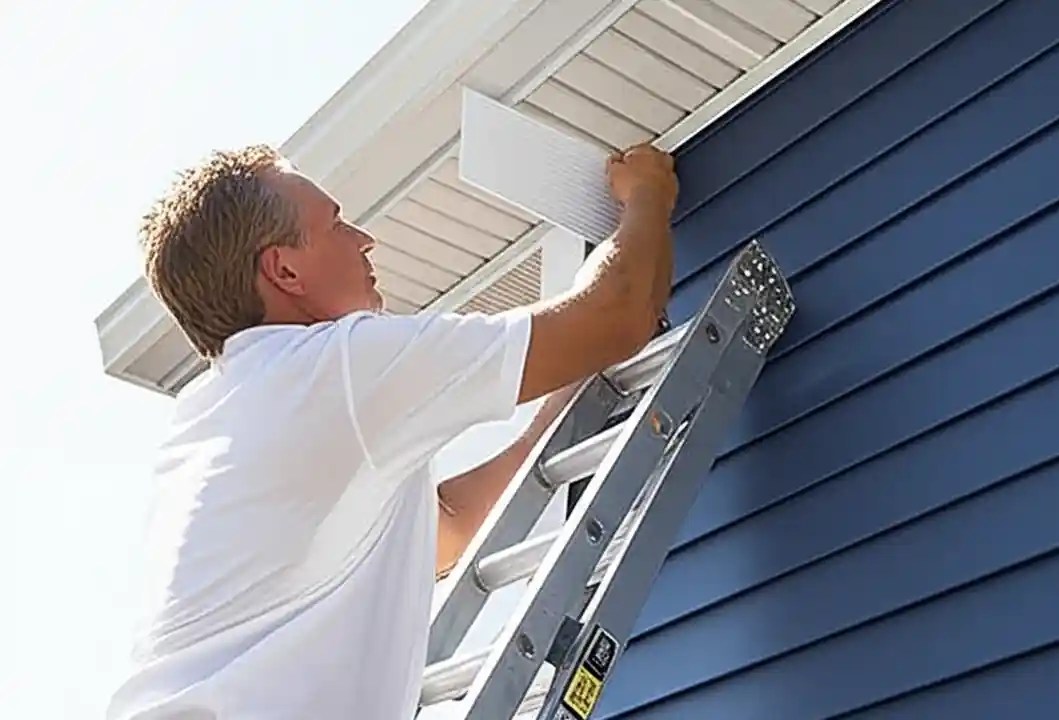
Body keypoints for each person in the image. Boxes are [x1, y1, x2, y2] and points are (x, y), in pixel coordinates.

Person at [105, 141, 678, 719]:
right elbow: (618, 312)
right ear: (285, 269)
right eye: (335, 225)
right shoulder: (337, 368)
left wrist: (565, 397)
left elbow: (447, 529)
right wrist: (648, 192)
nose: (363, 239)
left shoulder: (215, 417)